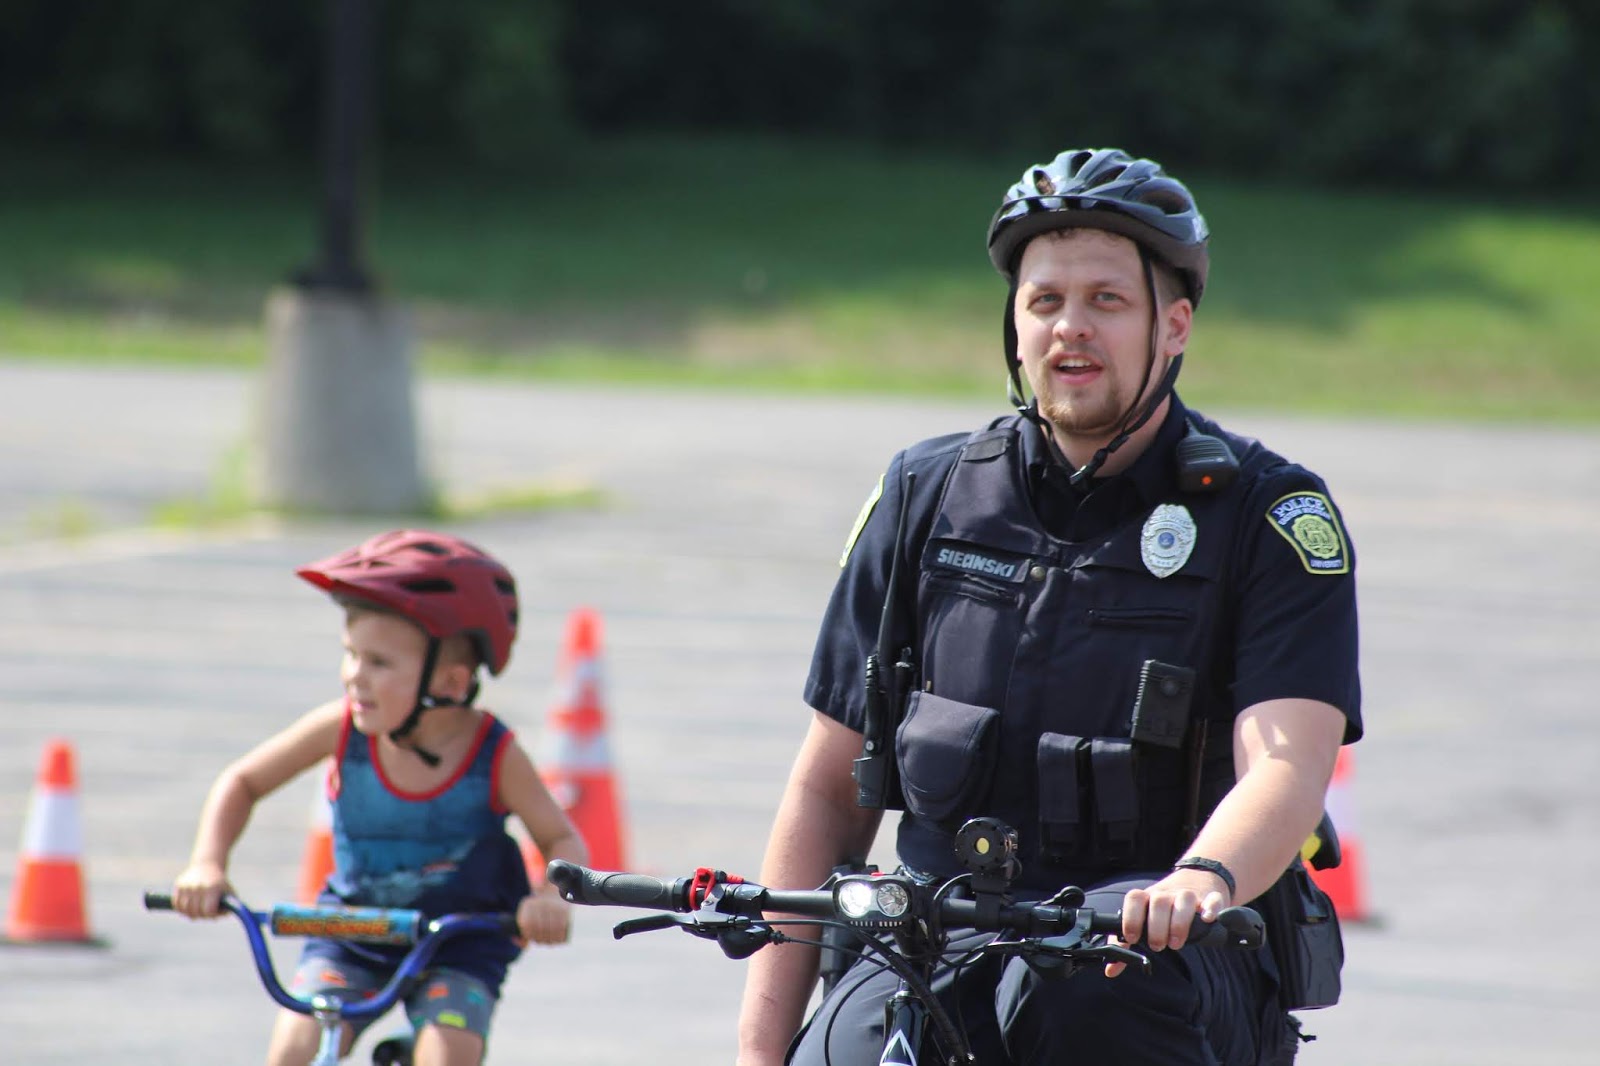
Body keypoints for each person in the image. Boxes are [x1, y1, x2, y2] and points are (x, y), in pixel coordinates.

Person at [736, 147, 1360, 1066]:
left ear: (1174, 324)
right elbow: (827, 787)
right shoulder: (926, 492)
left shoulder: (1267, 516)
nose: (1072, 328)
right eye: (1045, 301)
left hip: (1161, 957)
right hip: (936, 933)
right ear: (1015, 325)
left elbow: (1287, 766)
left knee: (1086, 1012)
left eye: (1107, 300)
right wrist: (760, 1052)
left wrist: (1198, 881)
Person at [171, 529, 588, 1066]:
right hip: (352, 930)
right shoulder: (341, 729)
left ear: (453, 682)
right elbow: (242, 782)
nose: (354, 676)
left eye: (378, 663)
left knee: (448, 1054)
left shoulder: (493, 753)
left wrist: (549, 896)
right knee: (295, 1049)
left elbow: (560, 836)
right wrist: (207, 864)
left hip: (456, 944)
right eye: (350, 655)